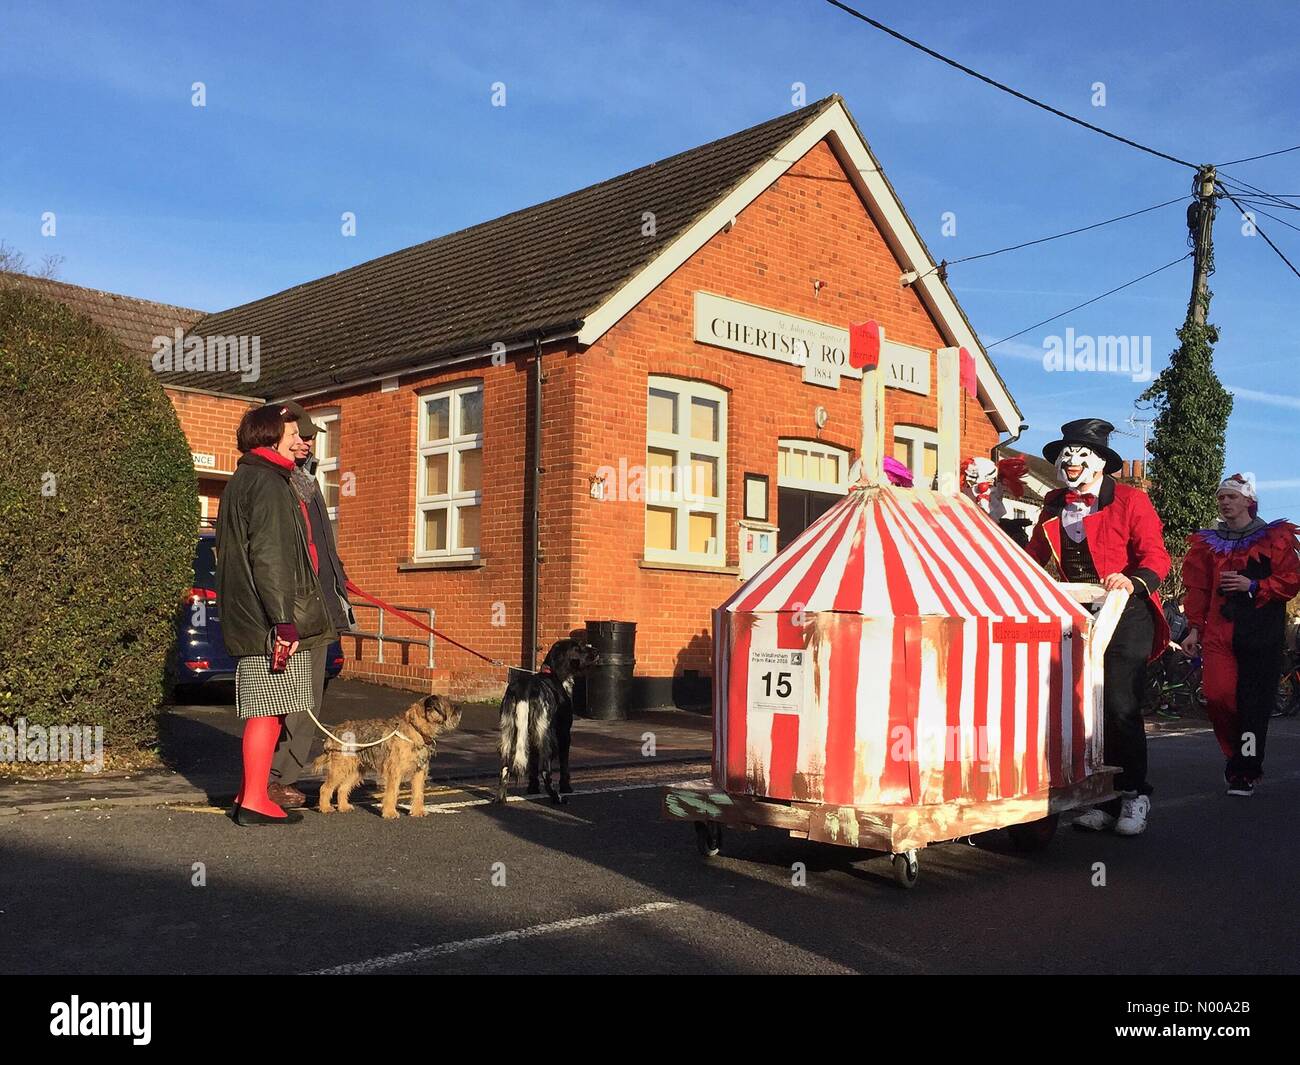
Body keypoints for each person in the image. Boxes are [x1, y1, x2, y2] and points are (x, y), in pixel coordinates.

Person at [1027, 419, 1170, 836]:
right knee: (1081, 706)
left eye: (1080, 452)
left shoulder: (1129, 500)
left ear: (1101, 463)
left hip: (1128, 612)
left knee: (1119, 705)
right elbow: (1034, 555)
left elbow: (1157, 557)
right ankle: (1103, 799)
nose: (1070, 460)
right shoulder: (1054, 502)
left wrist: (1131, 579)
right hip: (1080, 612)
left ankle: (1133, 794)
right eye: (1064, 453)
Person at [216, 405, 334, 826]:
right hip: (270, 622)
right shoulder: (267, 483)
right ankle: (254, 802)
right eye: (290, 431)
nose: (298, 438)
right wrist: (283, 622)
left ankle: (251, 794)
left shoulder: (246, 478)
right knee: (267, 711)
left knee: (267, 709)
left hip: (253, 617)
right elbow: (269, 558)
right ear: (269, 436)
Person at [1180, 473, 1299, 795]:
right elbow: (1198, 589)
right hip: (1219, 633)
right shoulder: (1208, 543)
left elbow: (1291, 581)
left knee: (1253, 707)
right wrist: (1193, 627)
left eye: (1231, 496)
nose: (1224, 502)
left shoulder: (1275, 538)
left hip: (1260, 634)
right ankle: (1236, 754)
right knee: (1217, 696)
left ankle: (1245, 770)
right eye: (1220, 497)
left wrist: (1255, 585)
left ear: (1249, 500)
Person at [266, 400, 355, 810]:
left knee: (308, 701)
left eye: (308, 437)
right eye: (298, 437)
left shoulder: (307, 481)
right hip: (296, 609)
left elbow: (322, 545)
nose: (305, 443)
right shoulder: (278, 483)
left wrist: (339, 583)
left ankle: (281, 776)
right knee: (292, 701)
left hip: (321, 606)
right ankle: (275, 779)